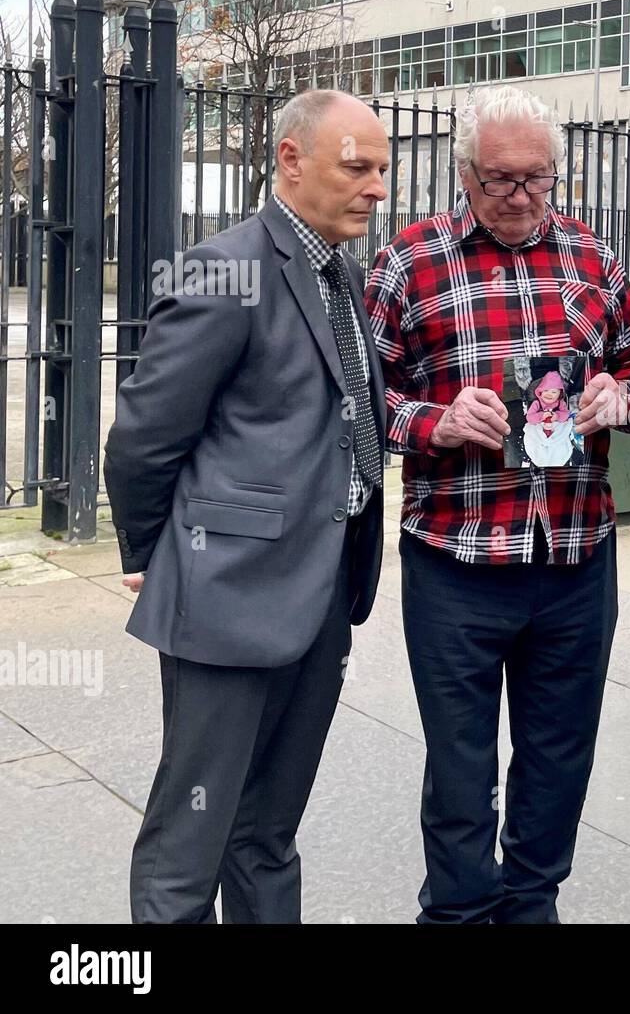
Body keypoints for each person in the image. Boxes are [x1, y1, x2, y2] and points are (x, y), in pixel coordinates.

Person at [104, 90, 390, 923]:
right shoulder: (223, 269)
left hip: (324, 593)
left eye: (382, 170)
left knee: (268, 833)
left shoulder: (340, 275)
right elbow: (145, 438)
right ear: (291, 160)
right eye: (357, 167)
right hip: (228, 594)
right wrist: (154, 556)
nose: (377, 188)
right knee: (189, 842)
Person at [365, 84, 630, 924]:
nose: (522, 197)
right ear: (464, 173)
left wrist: (617, 398)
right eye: (501, 181)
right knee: (459, 769)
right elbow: (355, 395)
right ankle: (455, 913)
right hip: (457, 560)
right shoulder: (408, 261)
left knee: (558, 761)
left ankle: (532, 906)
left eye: (539, 179)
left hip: (574, 556)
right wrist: (433, 420)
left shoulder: (596, 259)